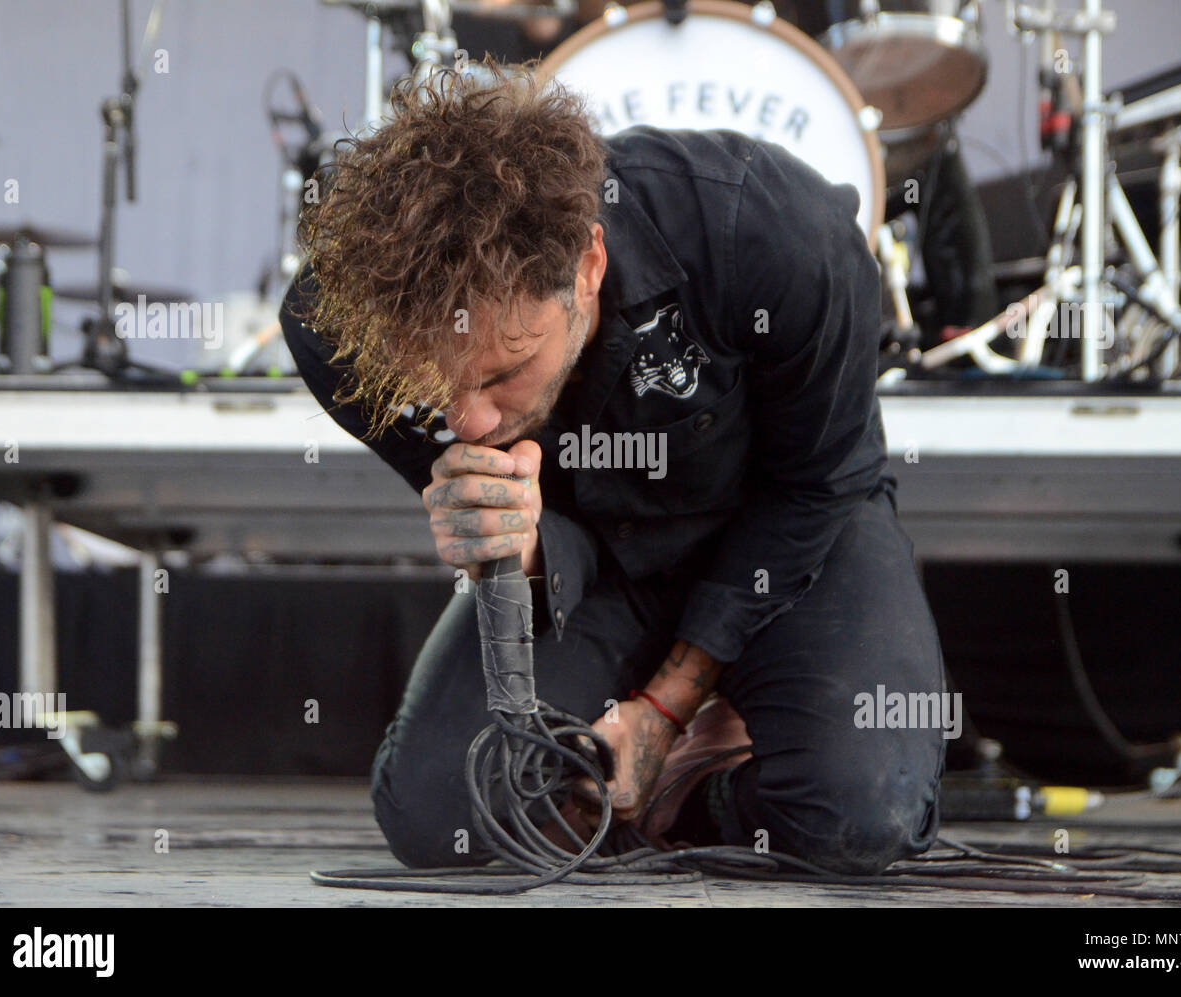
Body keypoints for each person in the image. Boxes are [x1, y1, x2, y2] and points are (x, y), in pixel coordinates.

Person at [279, 59, 946, 874]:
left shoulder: (772, 227)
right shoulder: (335, 324)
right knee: (437, 818)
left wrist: (665, 707)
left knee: (863, 814)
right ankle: (652, 792)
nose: (469, 421)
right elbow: (475, 480)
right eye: (438, 386)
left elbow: (820, 483)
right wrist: (511, 536)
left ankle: (708, 782)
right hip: (596, 554)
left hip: (790, 531)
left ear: (587, 267)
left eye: (498, 375)